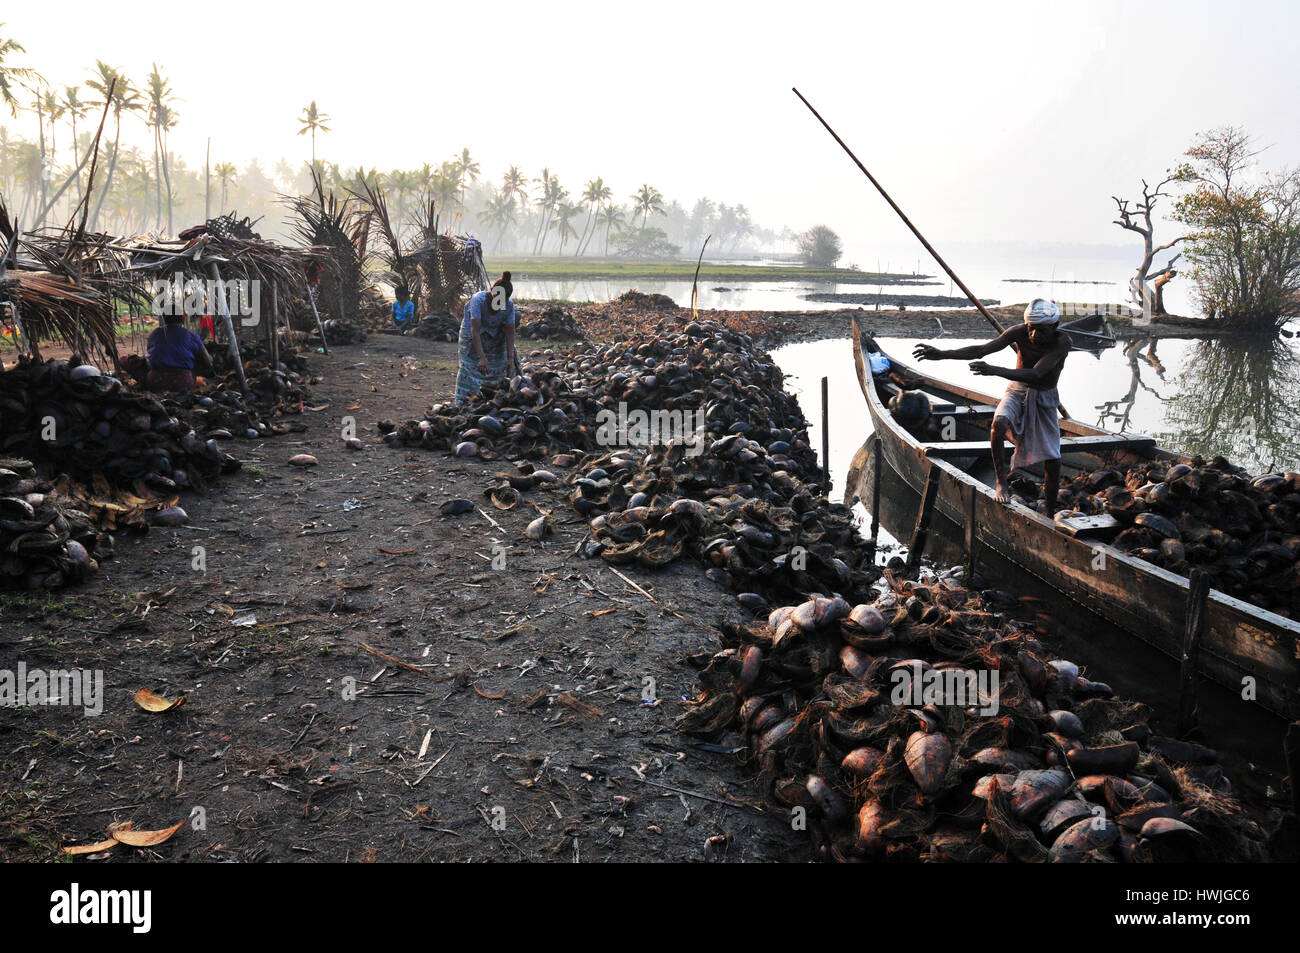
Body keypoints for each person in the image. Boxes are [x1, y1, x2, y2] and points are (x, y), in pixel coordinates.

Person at [912, 298, 1070, 512]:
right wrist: (941, 354)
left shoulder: (1062, 342)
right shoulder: (1018, 332)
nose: (1034, 335)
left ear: (1054, 327)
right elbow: (981, 350)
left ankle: (1049, 513)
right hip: (1017, 389)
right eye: (1031, 329)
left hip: (1044, 395)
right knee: (999, 423)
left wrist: (994, 370)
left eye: (1041, 331)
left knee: (1053, 461)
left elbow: (1037, 373)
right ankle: (1001, 482)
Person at [455, 271, 520, 403]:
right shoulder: (478, 300)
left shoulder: (509, 305)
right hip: (472, 335)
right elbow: (475, 330)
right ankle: (465, 400)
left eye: (501, 302)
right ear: (491, 293)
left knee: (504, 367)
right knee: (472, 366)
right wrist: (481, 357)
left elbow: (510, 332)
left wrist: (510, 358)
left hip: (494, 334)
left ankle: (496, 398)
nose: (497, 306)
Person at [146, 313, 213, 392]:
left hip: (156, 381)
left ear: (163, 319)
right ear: (182, 319)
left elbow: (150, 356)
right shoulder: (190, 335)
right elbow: (208, 362)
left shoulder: (154, 334)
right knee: (198, 358)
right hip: (182, 381)